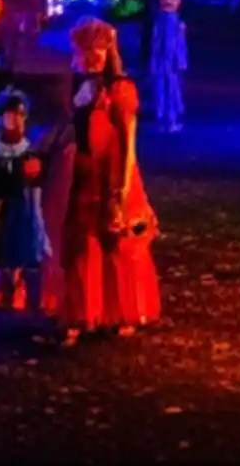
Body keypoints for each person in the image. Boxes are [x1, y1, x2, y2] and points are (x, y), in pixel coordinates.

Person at [60, 17, 161, 346]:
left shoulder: (119, 90)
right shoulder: (78, 87)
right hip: (85, 171)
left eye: (96, 53)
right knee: (81, 241)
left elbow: (129, 140)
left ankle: (121, 311)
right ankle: (85, 311)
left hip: (114, 174)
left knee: (117, 243)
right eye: (83, 53)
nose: (88, 60)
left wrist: (123, 187)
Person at [0, 88, 52, 310]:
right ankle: (5, 286)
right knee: (1, 247)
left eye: (19, 114)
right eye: (9, 114)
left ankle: (21, 287)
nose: (14, 119)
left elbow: (39, 178)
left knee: (23, 245)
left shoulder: (29, 149)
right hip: (1, 206)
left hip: (25, 205)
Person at [150, 0, 188, 133]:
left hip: (162, 60)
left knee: (163, 89)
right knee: (170, 90)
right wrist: (177, 60)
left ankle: (163, 119)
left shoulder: (161, 17)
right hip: (169, 61)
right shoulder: (170, 18)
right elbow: (169, 43)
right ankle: (169, 121)